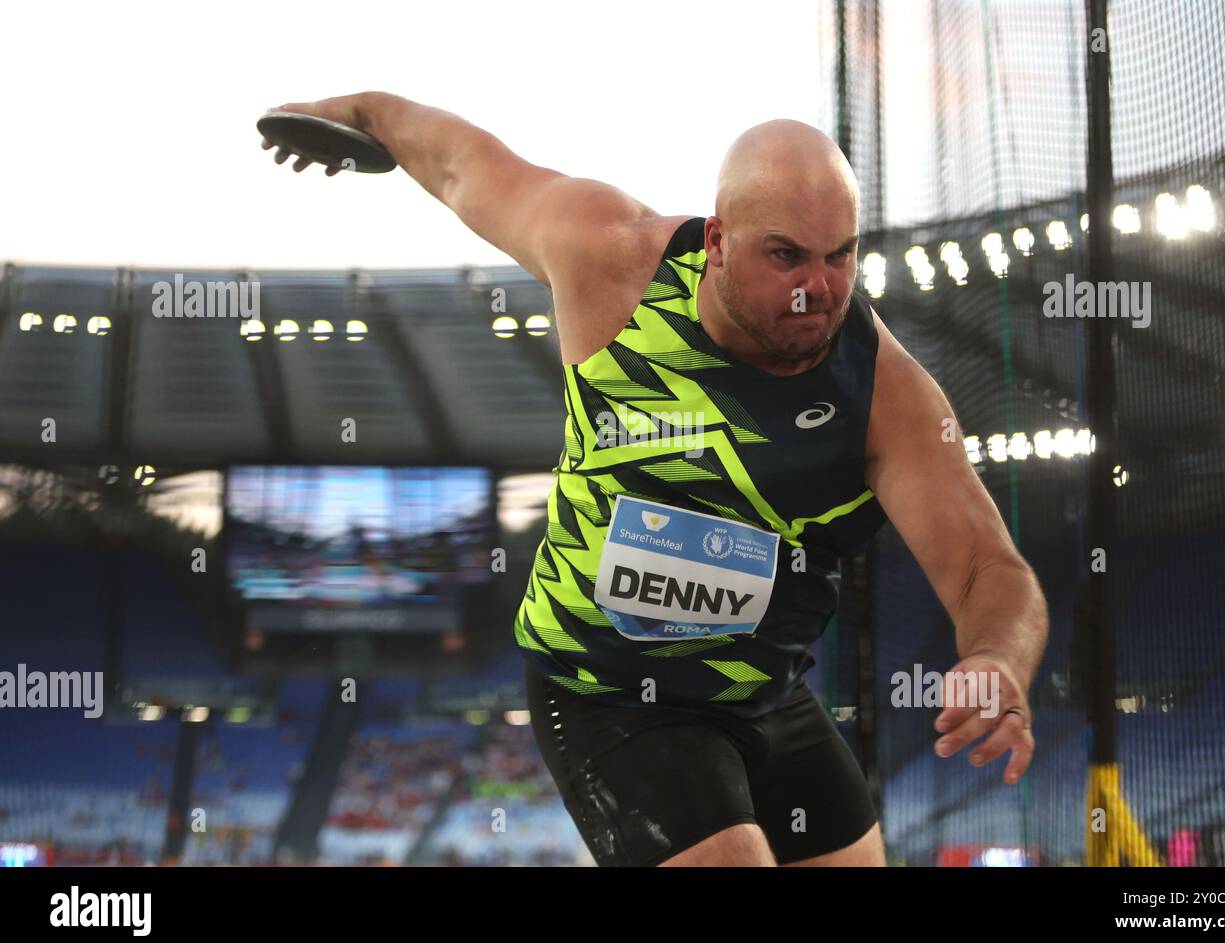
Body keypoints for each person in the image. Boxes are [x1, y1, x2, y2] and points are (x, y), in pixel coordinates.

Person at [264, 92, 1048, 867]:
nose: (817, 289)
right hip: (606, 691)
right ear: (717, 240)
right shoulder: (610, 262)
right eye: (785, 255)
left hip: (765, 695)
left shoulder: (885, 396)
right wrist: (364, 113)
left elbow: (986, 566)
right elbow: (462, 164)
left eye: (838, 254)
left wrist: (996, 660)